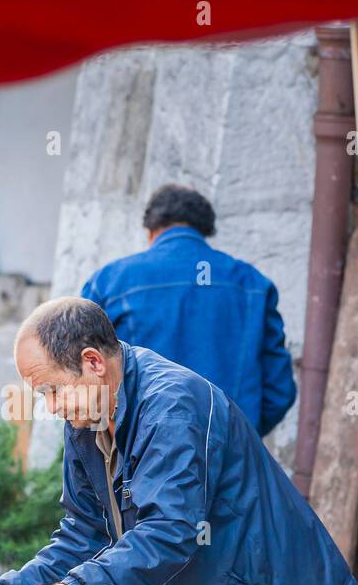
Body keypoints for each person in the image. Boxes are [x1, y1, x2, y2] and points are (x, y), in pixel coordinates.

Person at [0, 298, 354, 585]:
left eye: (52, 390)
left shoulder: (172, 407)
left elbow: (169, 531)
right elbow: (85, 530)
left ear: (93, 362)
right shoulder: (86, 416)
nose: (51, 407)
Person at [81, 184, 296, 437]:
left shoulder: (109, 282)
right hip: (227, 451)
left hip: (141, 452)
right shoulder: (253, 285)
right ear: (205, 229)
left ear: (151, 231)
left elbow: (81, 376)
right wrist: (241, 437)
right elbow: (279, 392)